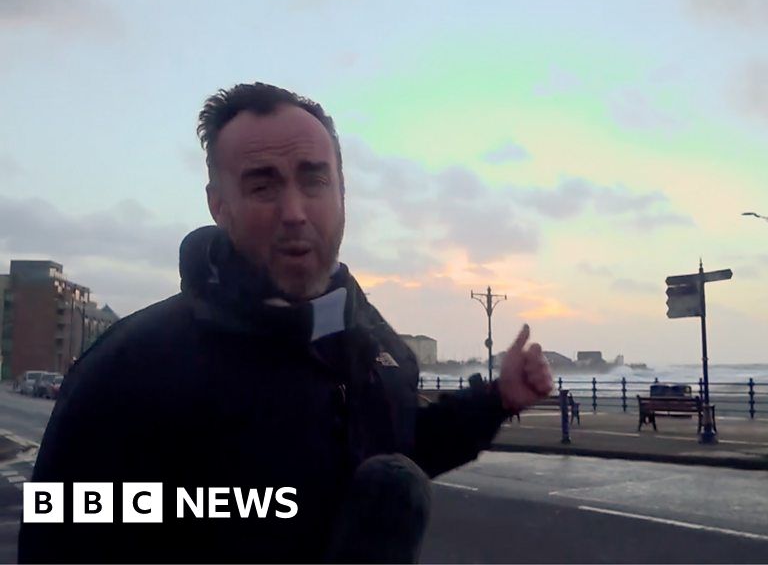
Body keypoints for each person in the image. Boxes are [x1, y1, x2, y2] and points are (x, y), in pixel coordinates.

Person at [18, 83, 554, 563]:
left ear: (342, 193)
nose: (295, 211)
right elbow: (62, 536)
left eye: (314, 180)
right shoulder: (129, 371)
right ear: (219, 205)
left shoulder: (367, 339)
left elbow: (397, 442)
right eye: (263, 186)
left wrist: (495, 401)